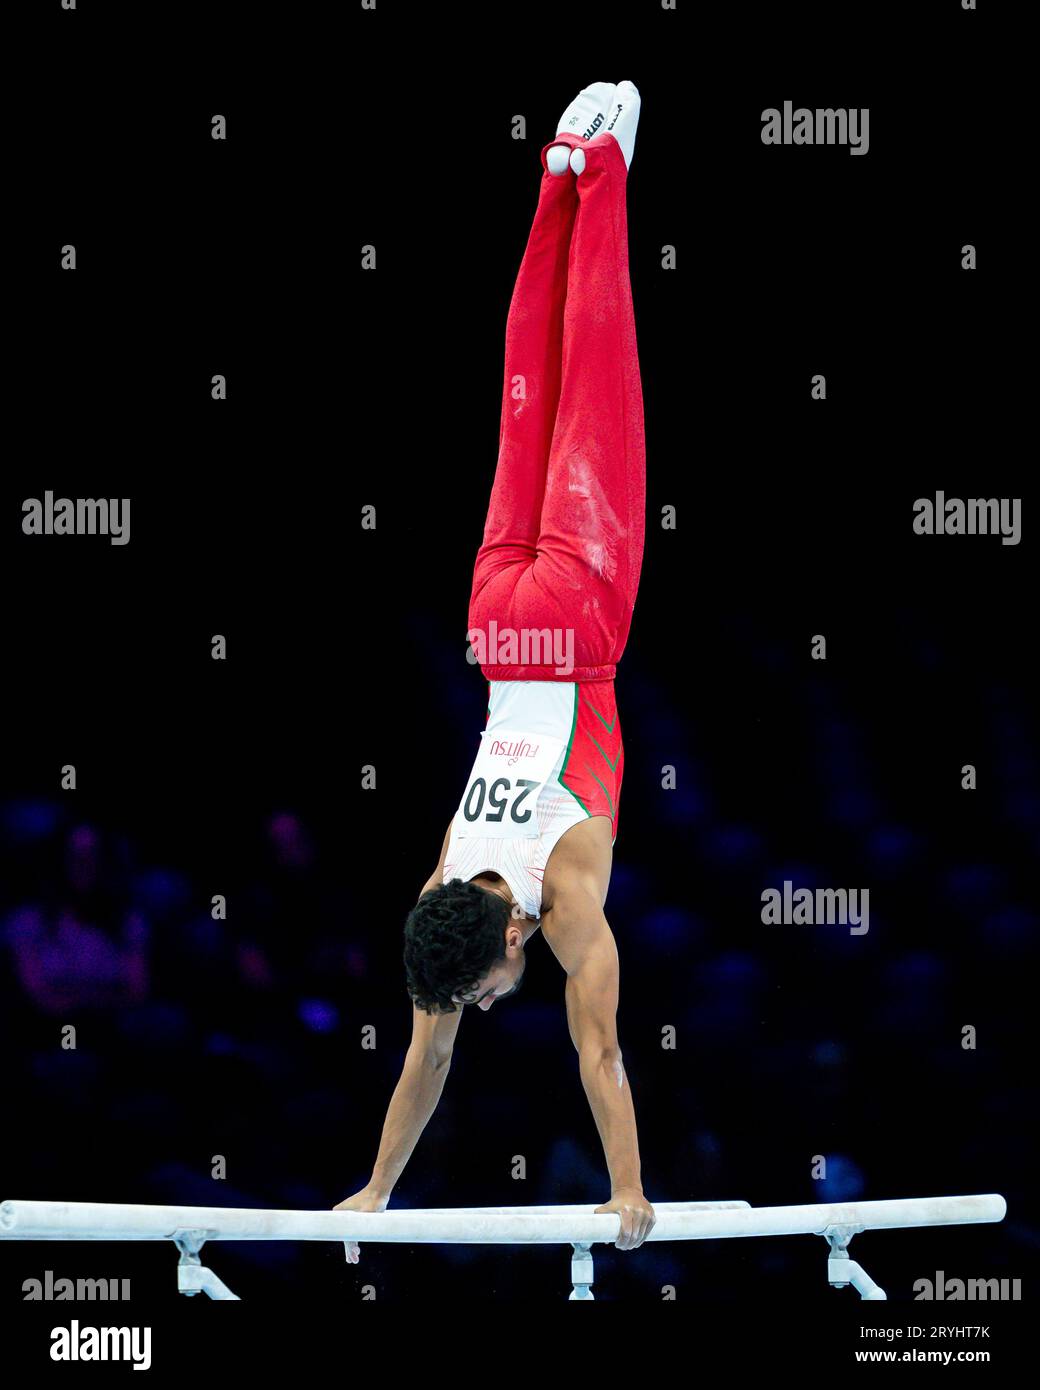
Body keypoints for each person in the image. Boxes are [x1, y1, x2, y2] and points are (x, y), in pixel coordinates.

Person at [338, 81, 654, 1259]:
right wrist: (370, 1192)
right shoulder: (437, 886)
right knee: (523, 391)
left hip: (575, 621)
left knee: (596, 374)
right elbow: (423, 1052)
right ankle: (556, 172)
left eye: (473, 1001)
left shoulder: (565, 897)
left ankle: (609, 165)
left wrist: (628, 1195)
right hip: (493, 622)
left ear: (508, 943)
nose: (464, 1016)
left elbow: (601, 1052)